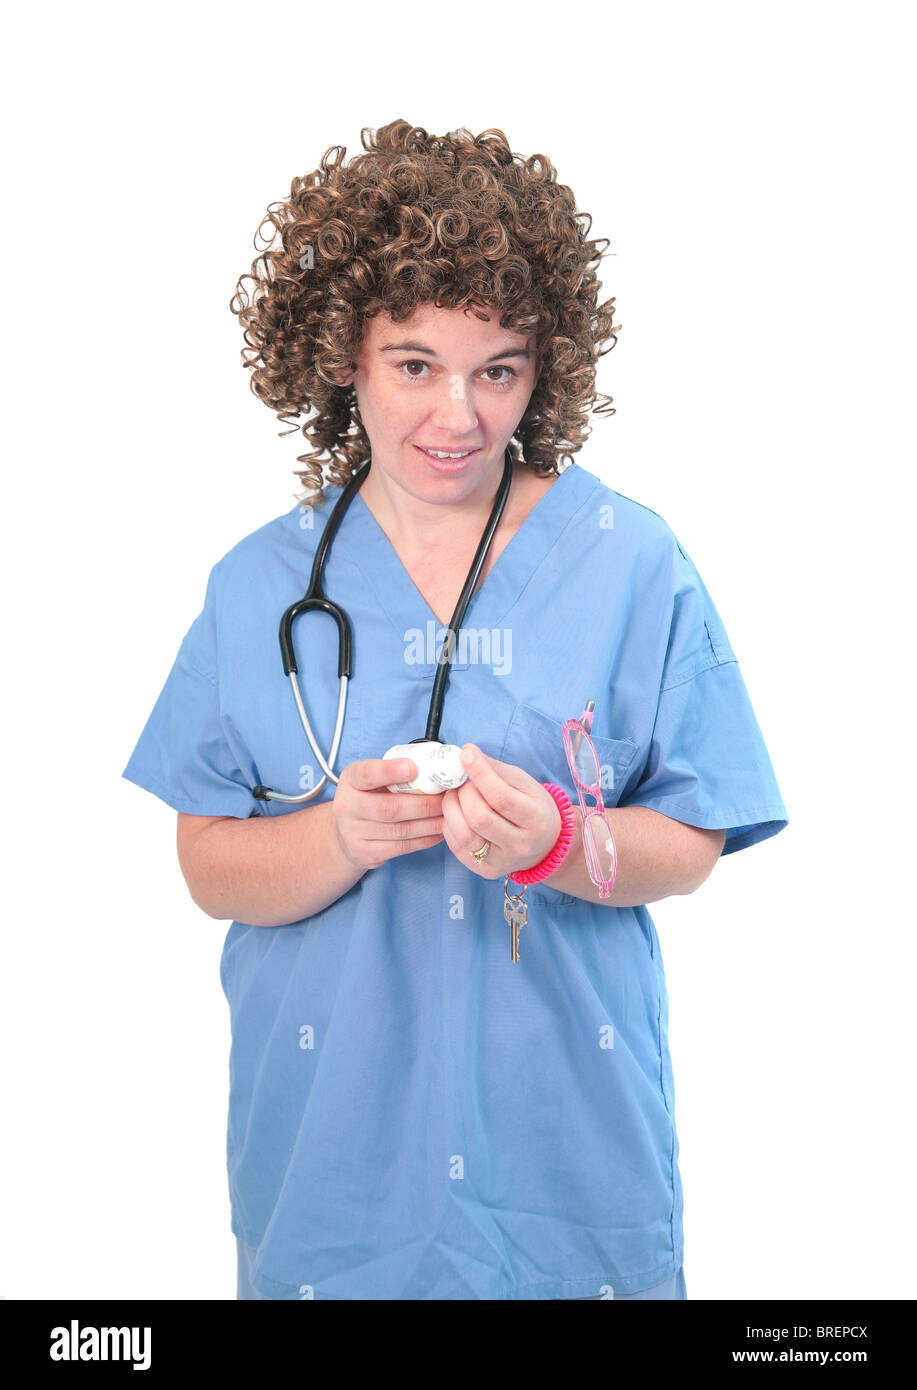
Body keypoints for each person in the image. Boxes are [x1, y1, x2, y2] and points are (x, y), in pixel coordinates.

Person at [121, 120, 788, 1301]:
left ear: (547, 368)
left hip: (569, 1169)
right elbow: (206, 863)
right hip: (333, 1181)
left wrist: (562, 843)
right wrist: (336, 836)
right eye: (414, 363)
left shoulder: (628, 560)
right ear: (342, 358)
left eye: (500, 368)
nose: (459, 416)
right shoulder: (258, 587)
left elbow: (691, 840)